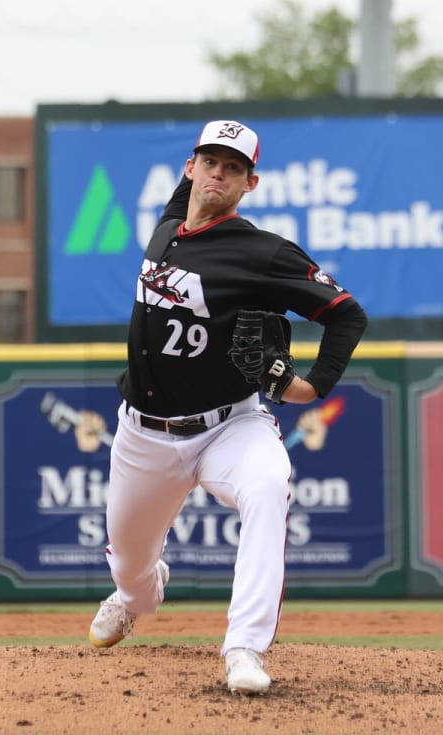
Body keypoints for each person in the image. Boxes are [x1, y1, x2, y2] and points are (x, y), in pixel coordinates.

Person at [88, 119, 368, 695]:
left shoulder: (262, 252)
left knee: (268, 484)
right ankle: (138, 593)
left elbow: (346, 314)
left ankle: (245, 647)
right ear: (190, 168)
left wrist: (313, 388)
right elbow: (189, 199)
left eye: (234, 167)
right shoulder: (167, 226)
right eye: (211, 161)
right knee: (132, 575)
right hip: (144, 434)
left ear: (251, 183)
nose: (220, 173)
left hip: (229, 426)